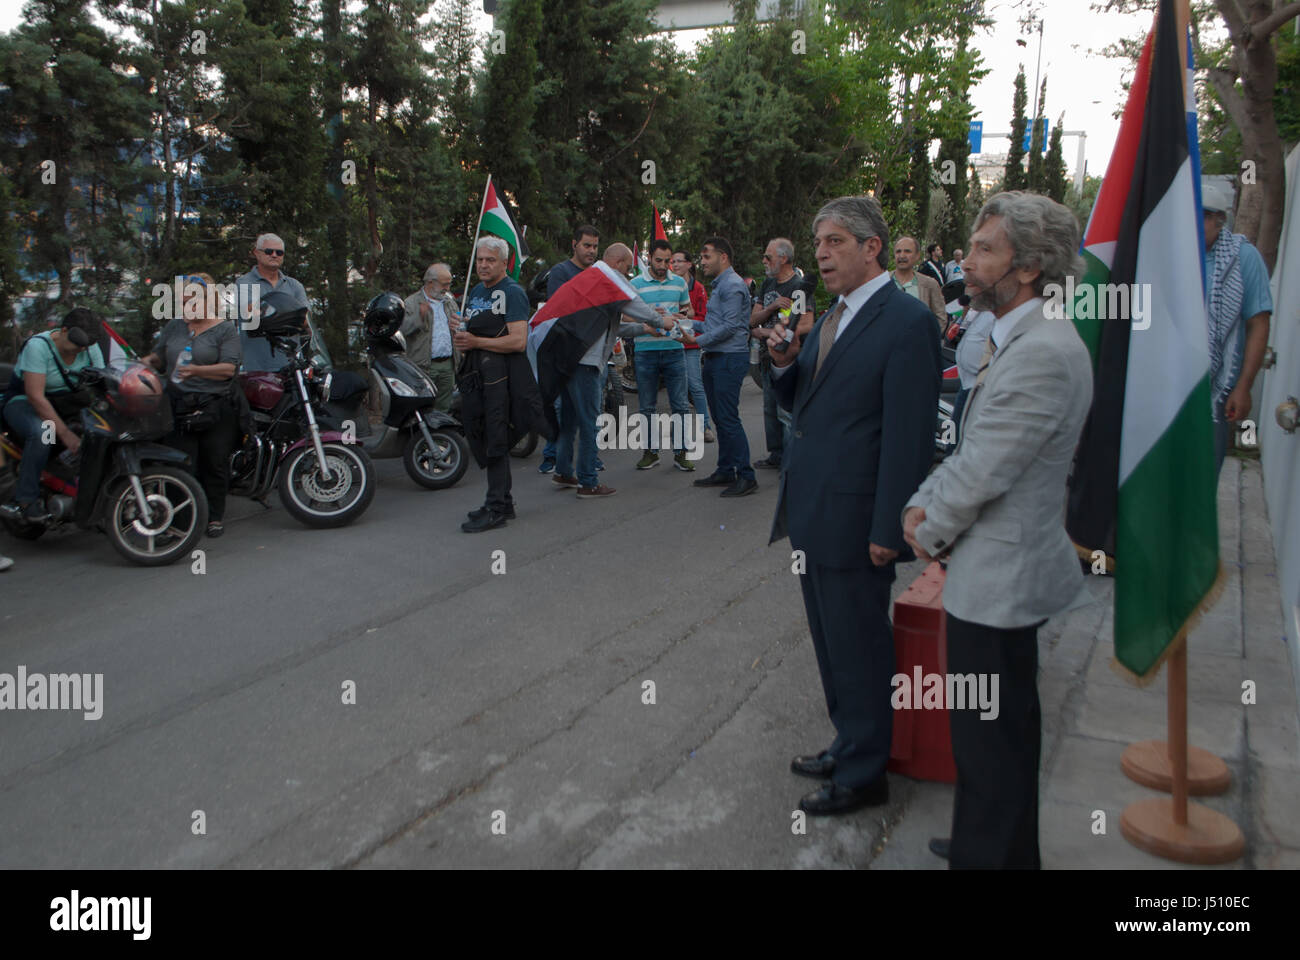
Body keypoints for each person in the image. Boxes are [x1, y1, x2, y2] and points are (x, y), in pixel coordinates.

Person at [902, 191, 1094, 869]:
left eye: (986, 250)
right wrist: (927, 504)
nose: (968, 262)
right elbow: (969, 452)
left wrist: (922, 522)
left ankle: (991, 855)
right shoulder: (1021, 337)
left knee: (991, 738)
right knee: (997, 734)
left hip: (1000, 579)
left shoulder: (1040, 351)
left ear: (1031, 267)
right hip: (992, 575)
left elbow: (984, 468)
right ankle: (995, 842)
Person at [760, 195, 939, 816]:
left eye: (836, 241)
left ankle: (866, 774)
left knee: (861, 647)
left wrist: (890, 524)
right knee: (832, 642)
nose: (822, 253)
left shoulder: (906, 321)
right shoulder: (833, 315)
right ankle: (850, 740)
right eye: (818, 243)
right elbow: (805, 400)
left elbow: (910, 436)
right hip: (812, 509)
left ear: (872, 248)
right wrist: (783, 361)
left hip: (860, 521)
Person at [540, 243, 666, 499]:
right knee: (590, 423)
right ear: (618, 263)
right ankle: (588, 482)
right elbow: (635, 304)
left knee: (570, 419)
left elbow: (612, 327)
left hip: (567, 359)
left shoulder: (591, 280)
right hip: (585, 363)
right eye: (628, 269)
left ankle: (563, 471)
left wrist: (644, 329)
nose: (627, 275)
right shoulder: (608, 279)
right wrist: (661, 320)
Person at [457, 236, 550, 532]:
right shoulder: (476, 291)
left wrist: (476, 340)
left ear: (503, 262)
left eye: (490, 260)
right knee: (483, 434)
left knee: (496, 437)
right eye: (480, 259)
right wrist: (462, 336)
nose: (483, 265)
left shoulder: (512, 292)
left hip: (504, 380)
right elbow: (474, 335)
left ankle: (497, 507)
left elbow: (518, 341)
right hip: (477, 377)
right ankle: (501, 501)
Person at [140, 273, 243, 538]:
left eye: (192, 303)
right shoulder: (175, 326)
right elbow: (160, 356)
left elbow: (229, 369)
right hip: (178, 405)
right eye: (183, 302)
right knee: (180, 464)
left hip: (214, 405)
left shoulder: (225, 329)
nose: (187, 308)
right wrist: (146, 362)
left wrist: (197, 370)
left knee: (214, 463)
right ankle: (181, 521)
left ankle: (213, 517)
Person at [1, 308, 105, 523]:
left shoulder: (88, 347)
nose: (81, 350)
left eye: (85, 346)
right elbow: (36, 397)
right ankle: (25, 501)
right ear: (64, 330)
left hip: (67, 403)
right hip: (27, 402)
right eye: (77, 344)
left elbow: (103, 383)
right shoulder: (38, 347)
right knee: (43, 434)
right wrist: (65, 433)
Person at [1202, 180, 1272, 475]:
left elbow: (1258, 323)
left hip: (1215, 388)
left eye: (1203, 215)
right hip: (1168, 386)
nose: (1195, 221)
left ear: (1220, 220)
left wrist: (1243, 386)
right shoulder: (1171, 256)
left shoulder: (1242, 258)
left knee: (1204, 472)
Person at [693, 236, 757, 497]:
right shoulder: (720, 286)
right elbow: (713, 325)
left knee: (728, 418)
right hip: (716, 357)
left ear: (723, 257)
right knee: (720, 417)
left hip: (729, 358)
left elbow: (731, 327)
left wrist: (696, 340)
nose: (703, 261)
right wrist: (687, 323)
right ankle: (725, 469)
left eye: (707, 256)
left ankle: (746, 475)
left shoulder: (732, 285)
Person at [630, 239, 695, 472]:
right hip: (645, 352)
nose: (663, 265)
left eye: (667, 261)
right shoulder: (635, 283)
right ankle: (650, 452)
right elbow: (624, 316)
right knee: (647, 406)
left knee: (680, 405)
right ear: (649, 257)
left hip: (674, 349)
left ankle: (681, 453)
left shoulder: (678, 283)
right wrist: (649, 317)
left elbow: (690, 310)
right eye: (659, 260)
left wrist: (679, 314)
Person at [750, 238, 814, 470]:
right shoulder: (767, 285)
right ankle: (776, 455)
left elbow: (806, 324)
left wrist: (767, 331)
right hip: (767, 359)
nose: (764, 261)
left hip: (789, 358)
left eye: (768, 257)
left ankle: (792, 460)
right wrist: (771, 308)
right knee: (769, 408)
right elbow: (752, 320)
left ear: (784, 258)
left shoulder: (798, 287)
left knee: (786, 411)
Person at [401, 263, 459, 412]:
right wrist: (419, 317)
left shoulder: (450, 302)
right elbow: (402, 330)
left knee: (444, 407)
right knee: (423, 406)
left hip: (448, 365)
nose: (448, 288)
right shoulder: (411, 303)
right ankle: (423, 435)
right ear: (430, 282)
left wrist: (460, 326)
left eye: (449, 284)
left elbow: (458, 328)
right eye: (445, 284)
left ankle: (441, 435)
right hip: (424, 366)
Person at [671, 248, 715, 444]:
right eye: (674, 262)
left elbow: (704, 318)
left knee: (695, 386)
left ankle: (705, 426)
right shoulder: (670, 285)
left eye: (680, 261)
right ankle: (678, 431)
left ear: (689, 264)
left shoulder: (697, 288)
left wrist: (687, 317)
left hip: (690, 344)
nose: (676, 265)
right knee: (677, 390)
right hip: (671, 343)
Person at [236, 233, 309, 324]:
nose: (274, 255)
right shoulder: (244, 283)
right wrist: (292, 311)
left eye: (279, 252)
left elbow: (307, 319)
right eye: (268, 251)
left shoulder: (295, 285)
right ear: (257, 253)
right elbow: (252, 312)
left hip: (290, 337)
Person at [892, 236, 946, 330]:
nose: (902, 256)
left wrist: (926, 340)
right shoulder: (882, 282)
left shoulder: (930, 285)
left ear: (917, 256)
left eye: (907, 251)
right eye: (898, 251)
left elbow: (940, 318)